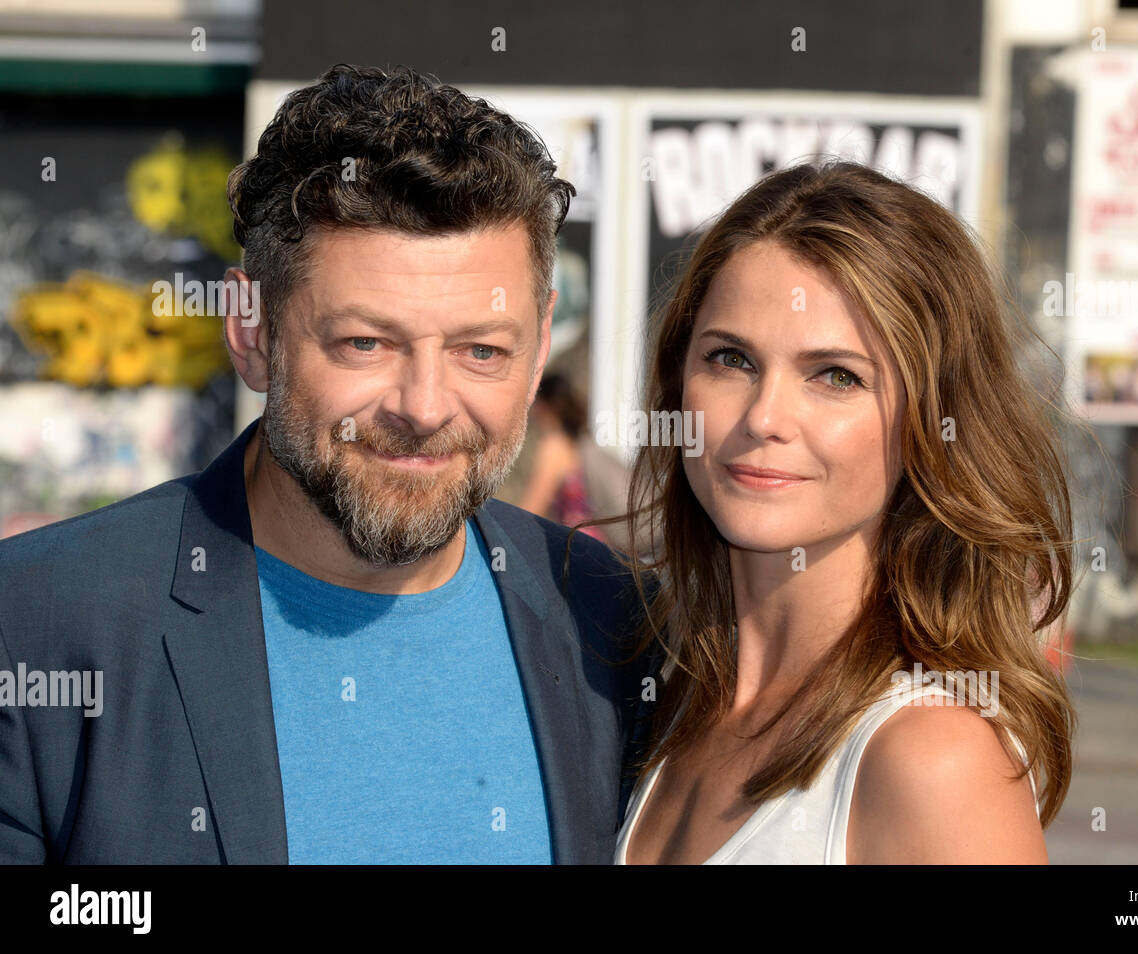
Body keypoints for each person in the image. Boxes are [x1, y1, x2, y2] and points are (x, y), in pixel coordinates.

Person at [0, 64, 653, 864]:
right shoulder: (36, 626)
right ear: (251, 331)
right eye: (365, 343)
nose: (424, 407)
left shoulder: (617, 624)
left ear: (542, 343)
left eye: (480, 350)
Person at [613, 160, 1078, 864]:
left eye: (836, 376)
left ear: (931, 421)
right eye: (731, 359)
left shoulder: (933, 757)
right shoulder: (663, 697)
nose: (765, 417)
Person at [519, 373, 609, 544]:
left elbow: (532, 508)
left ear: (542, 406)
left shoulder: (554, 446)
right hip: (596, 545)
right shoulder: (578, 441)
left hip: (576, 549)